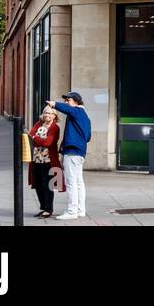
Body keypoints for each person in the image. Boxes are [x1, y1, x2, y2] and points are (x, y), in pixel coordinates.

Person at [49, 92, 91, 220]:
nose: (66, 102)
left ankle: (72, 211)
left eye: (68, 100)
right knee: (78, 182)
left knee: (71, 182)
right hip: (79, 152)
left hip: (72, 152)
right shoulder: (84, 116)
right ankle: (80, 210)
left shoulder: (77, 111)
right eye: (65, 100)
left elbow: (66, 109)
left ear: (76, 102)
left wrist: (54, 104)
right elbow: (88, 137)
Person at [27, 106, 63, 219]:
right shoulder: (38, 124)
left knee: (47, 185)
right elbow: (30, 135)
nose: (47, 115)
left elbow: (48, 142)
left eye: (49, 113)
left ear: (54, 116)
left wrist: (35, 138)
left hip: (49, 160)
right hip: (36, 159)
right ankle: (43, 208)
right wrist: (37, 139)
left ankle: (49, 209)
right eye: (45, 112)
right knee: (37, 184)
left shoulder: (55, 128)